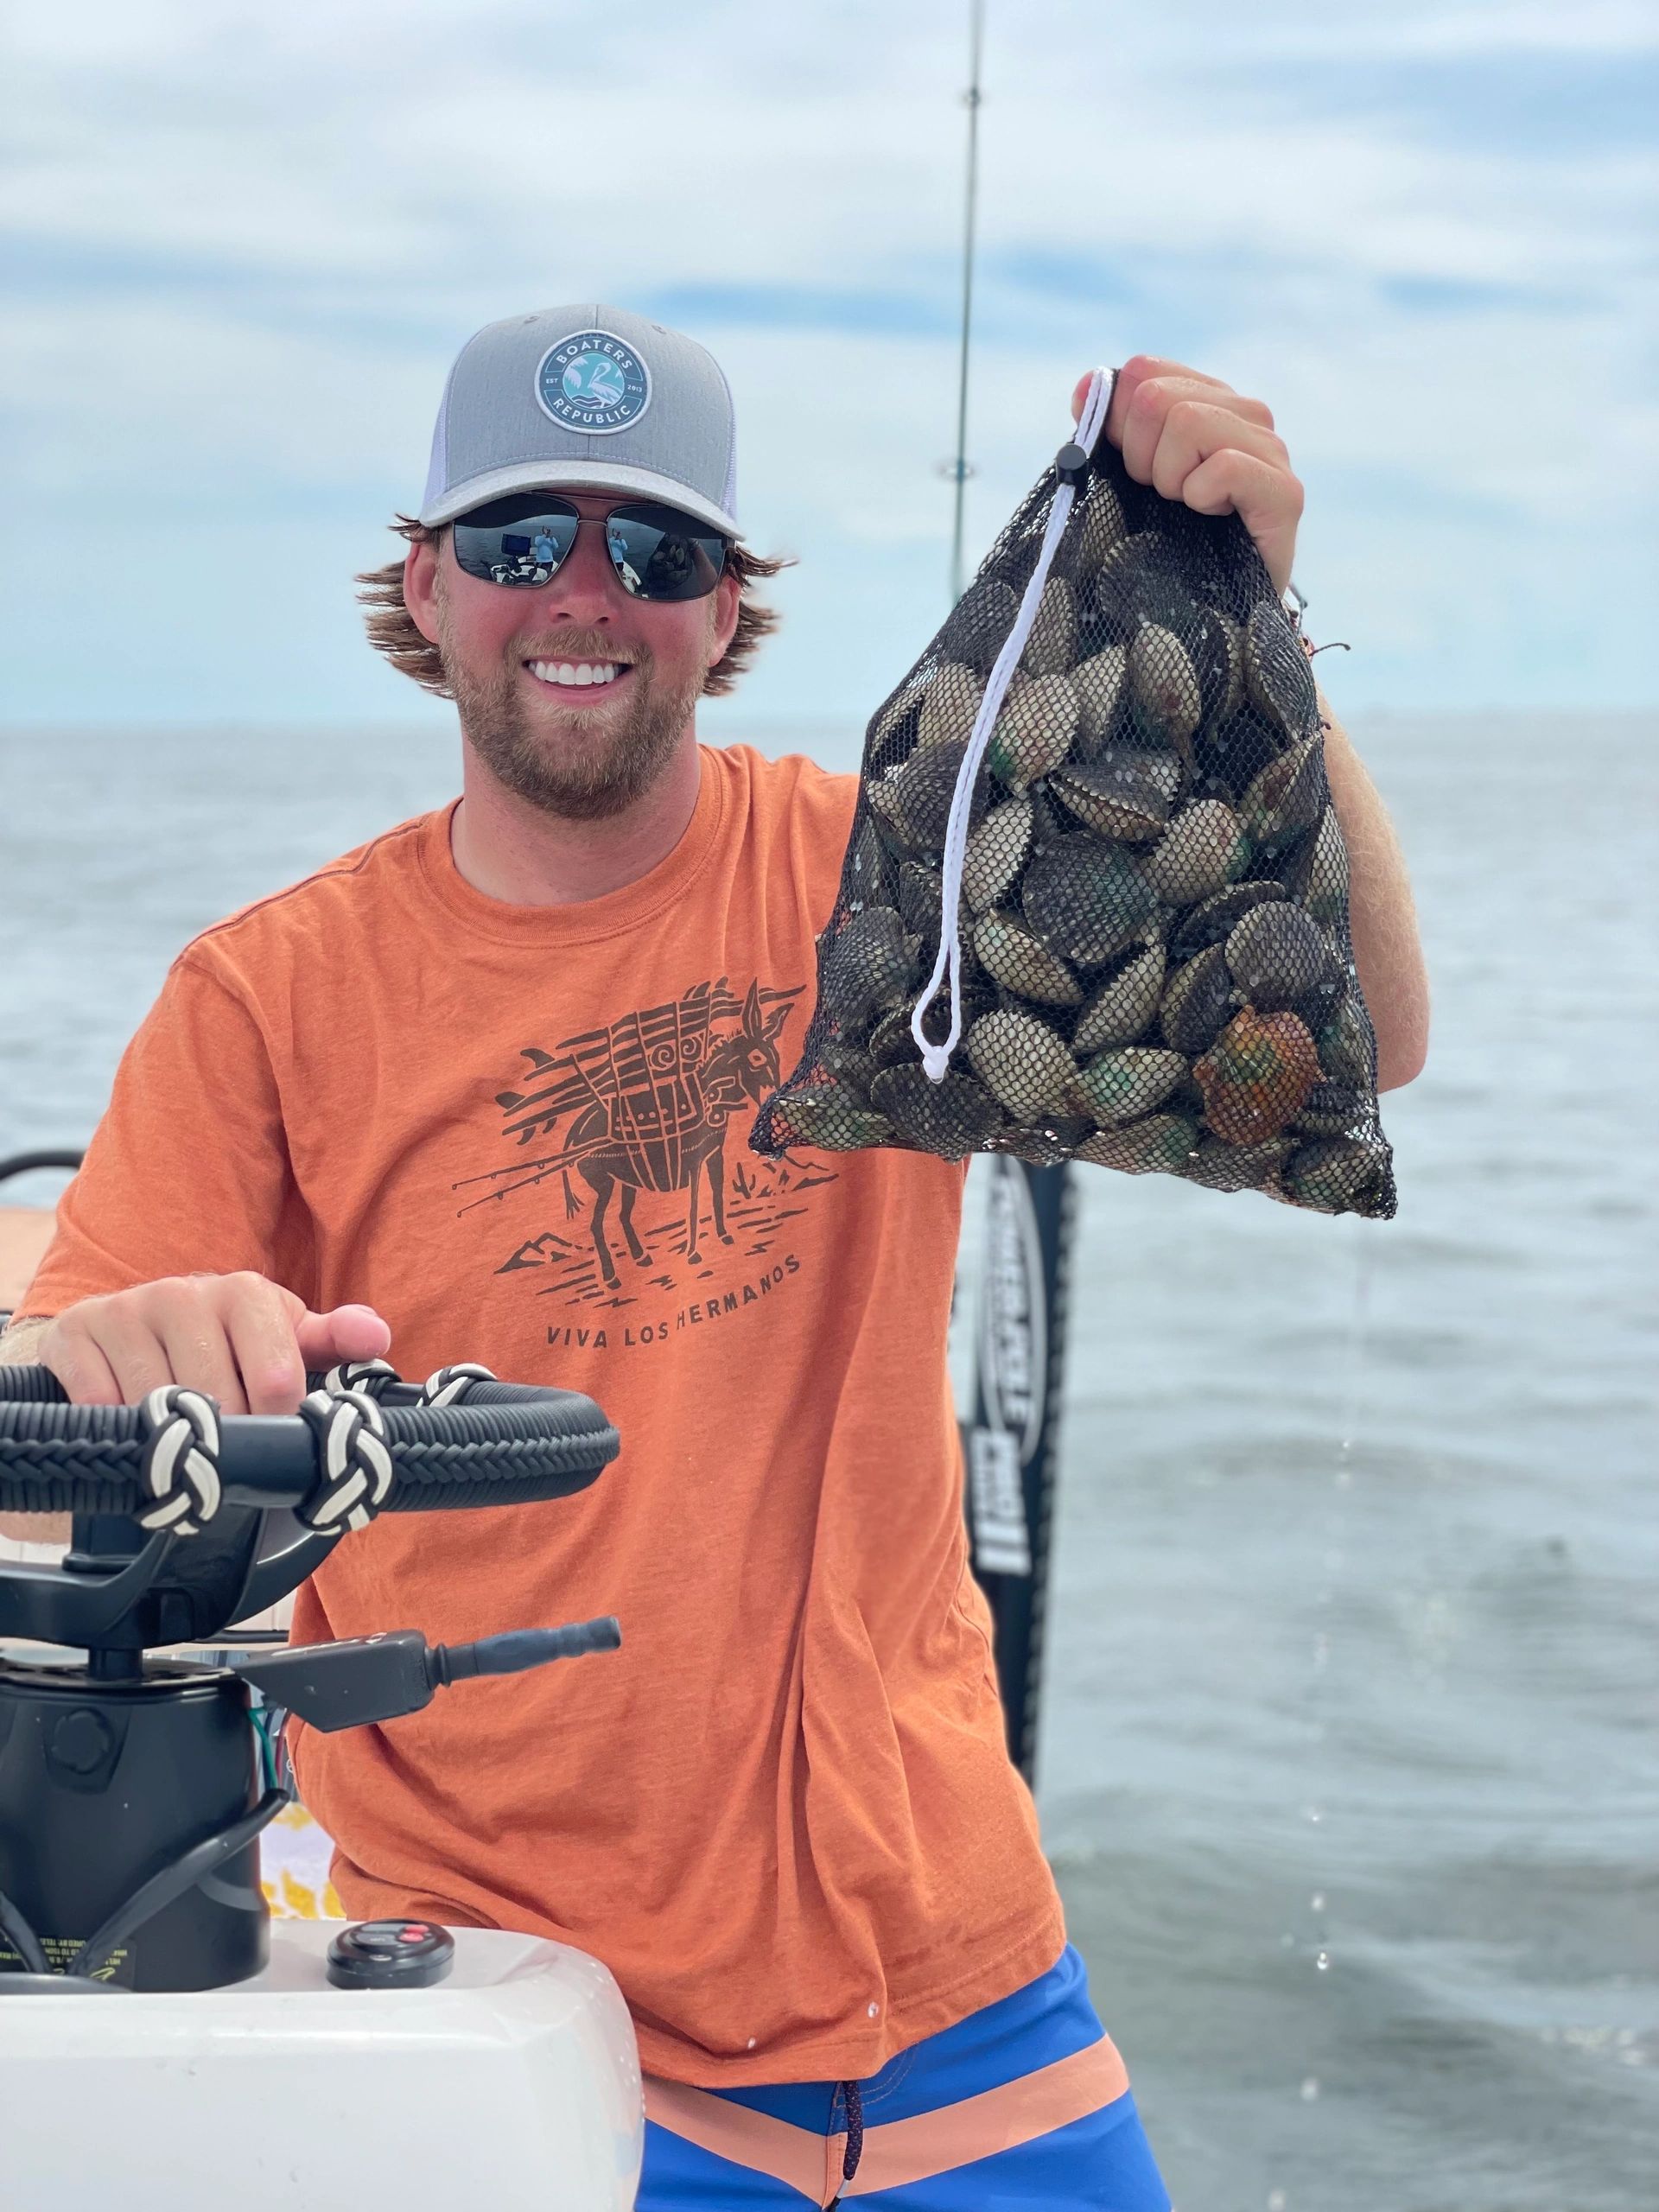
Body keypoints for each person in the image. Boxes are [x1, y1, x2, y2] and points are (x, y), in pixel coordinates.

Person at [0, 304, 1427, 2207]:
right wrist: (133, 1341)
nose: (583, 595)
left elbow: (1353, 1046)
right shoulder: (271, 995)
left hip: (959, 1976)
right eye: (520, 542)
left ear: (725, 603)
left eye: (655, 551)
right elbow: (47, 1447)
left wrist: (1251, 613)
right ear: (425, 585)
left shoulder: (895, 887)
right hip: (528, 2010)